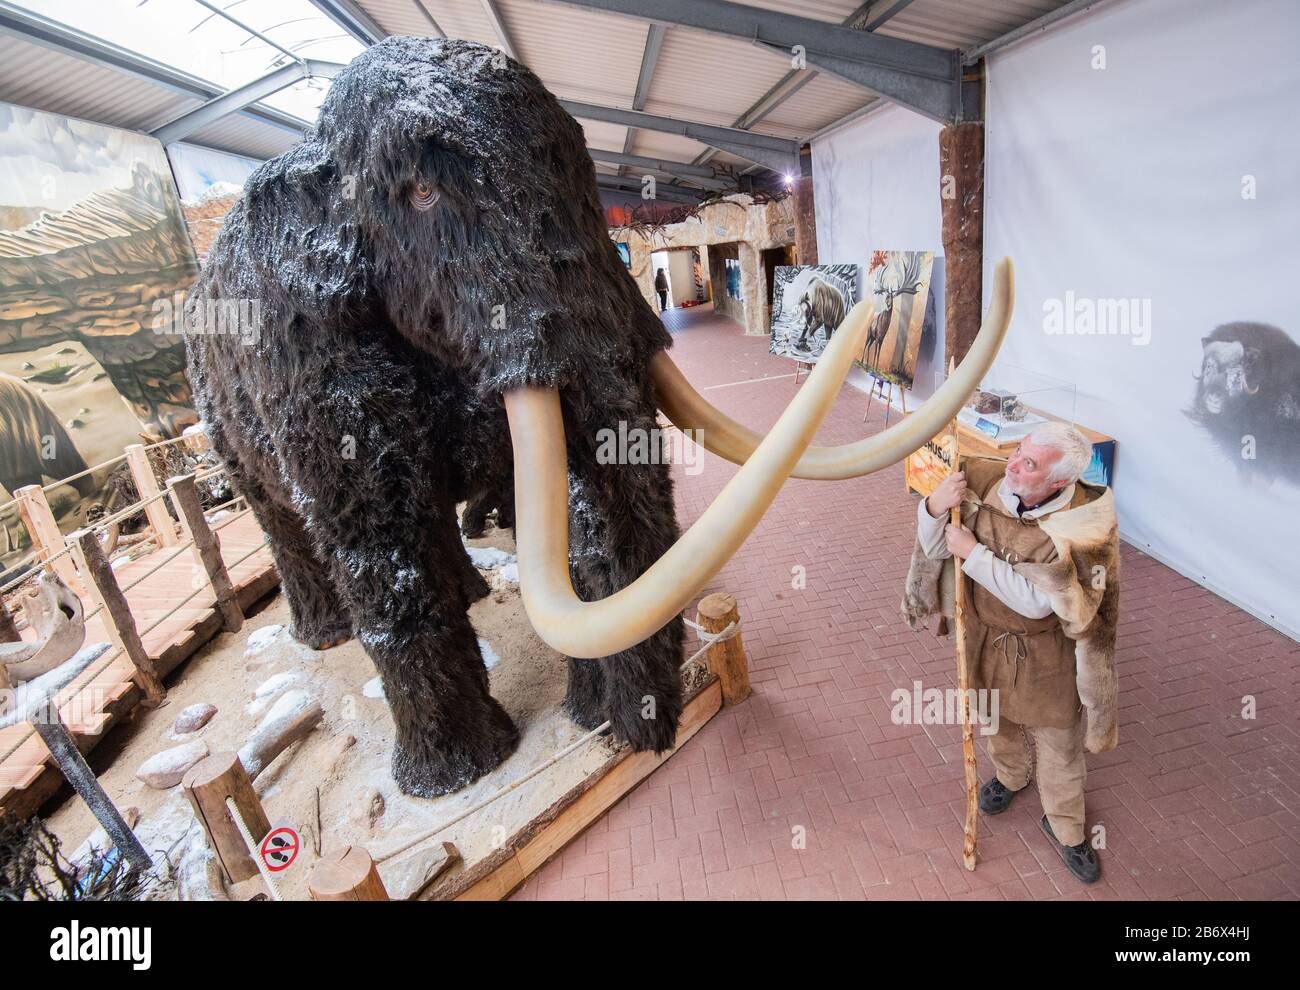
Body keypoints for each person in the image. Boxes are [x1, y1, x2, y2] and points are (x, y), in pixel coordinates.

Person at [902, 421, 1120, 884]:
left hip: (1046, 655)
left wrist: (975, 554)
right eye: (1018, 451)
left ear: (1059, 481)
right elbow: (935, 544)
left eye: (1029, 463)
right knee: (997, 719)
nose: (1013, 465)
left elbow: (1043, 604)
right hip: (984, 636)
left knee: (1059, 743)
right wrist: (933, 507)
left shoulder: (1084, 522)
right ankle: (1011, 776)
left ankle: (1067, 828)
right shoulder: (981, 482)